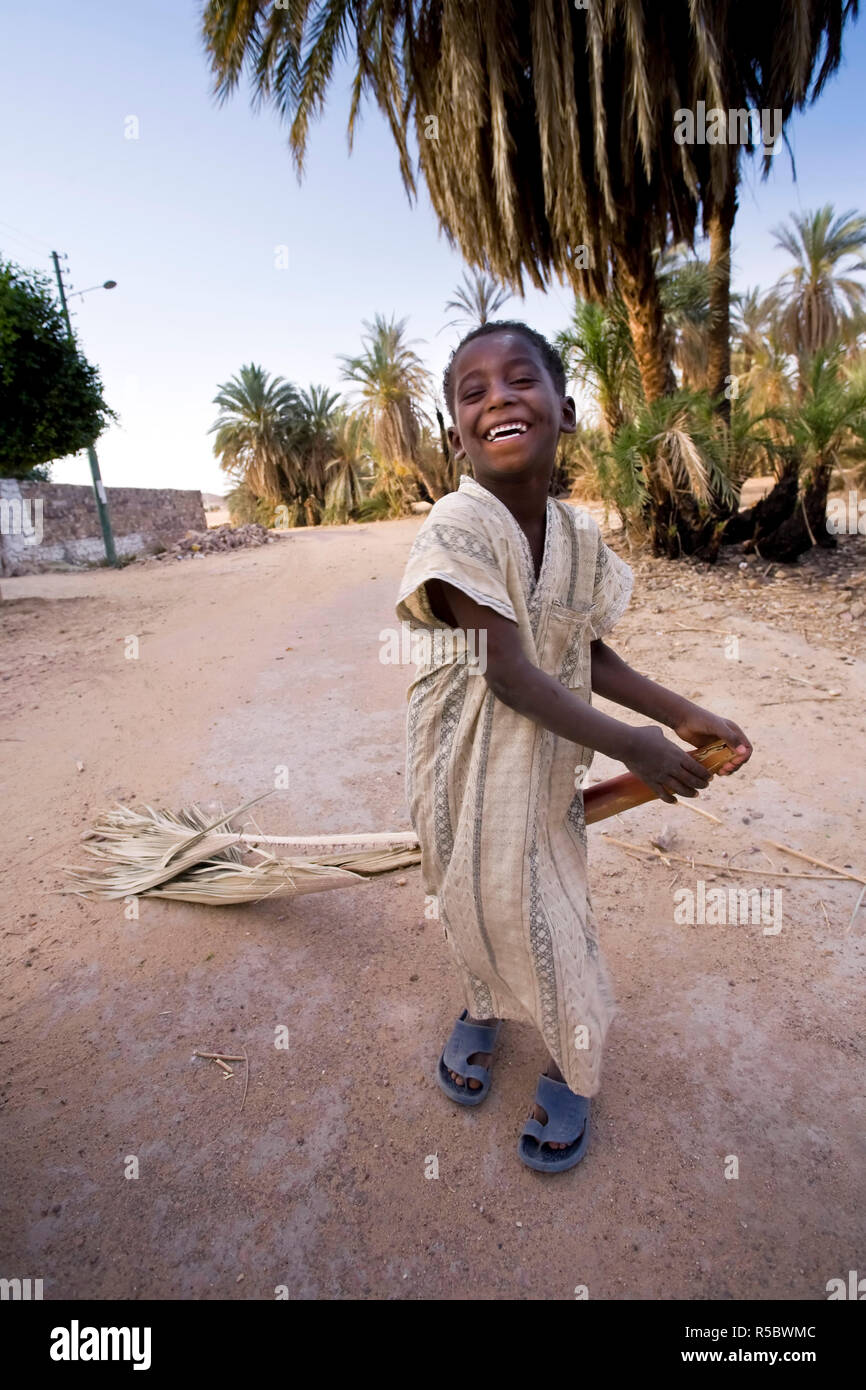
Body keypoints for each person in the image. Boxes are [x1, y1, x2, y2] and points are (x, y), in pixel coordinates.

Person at [394, 321, 752, 1172]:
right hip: (459, 768)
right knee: (471, 896)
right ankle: (483, 1005)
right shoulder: (456, 526)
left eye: (521, 381)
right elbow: (512, 673)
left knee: (552, 910)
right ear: (456, 435)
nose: (498, 400)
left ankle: (574, 1061)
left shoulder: (581, 537)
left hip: (547, 764)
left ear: (566, 409)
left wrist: (684, 716)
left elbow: (585, 652)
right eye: (472, 393)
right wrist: (637, 747)